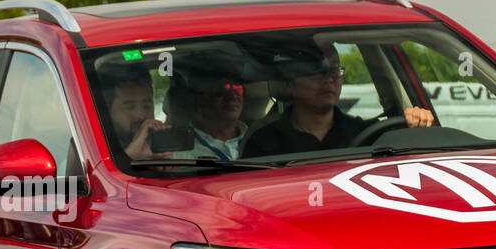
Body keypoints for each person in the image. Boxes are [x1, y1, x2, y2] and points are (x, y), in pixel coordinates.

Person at [247, 42, 434, 157]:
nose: (329, 79)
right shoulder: (263, 142)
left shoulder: (367, 133)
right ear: (288, 84)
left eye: (335, 70)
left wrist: (416, 123)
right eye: (318, 71)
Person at [169, 59, 250, 161]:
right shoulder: (176, 151)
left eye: (238, 88)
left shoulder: (261, 137)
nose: (233, 96)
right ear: (197, 98)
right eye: (222, 89)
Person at [99, 64, 169, 160]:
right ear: (107, 112)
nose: (141, 115)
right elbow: (75, 176)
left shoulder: (165, 144)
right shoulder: (91, 150)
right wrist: (129, 157)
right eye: (130, 107)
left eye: (147, 106)